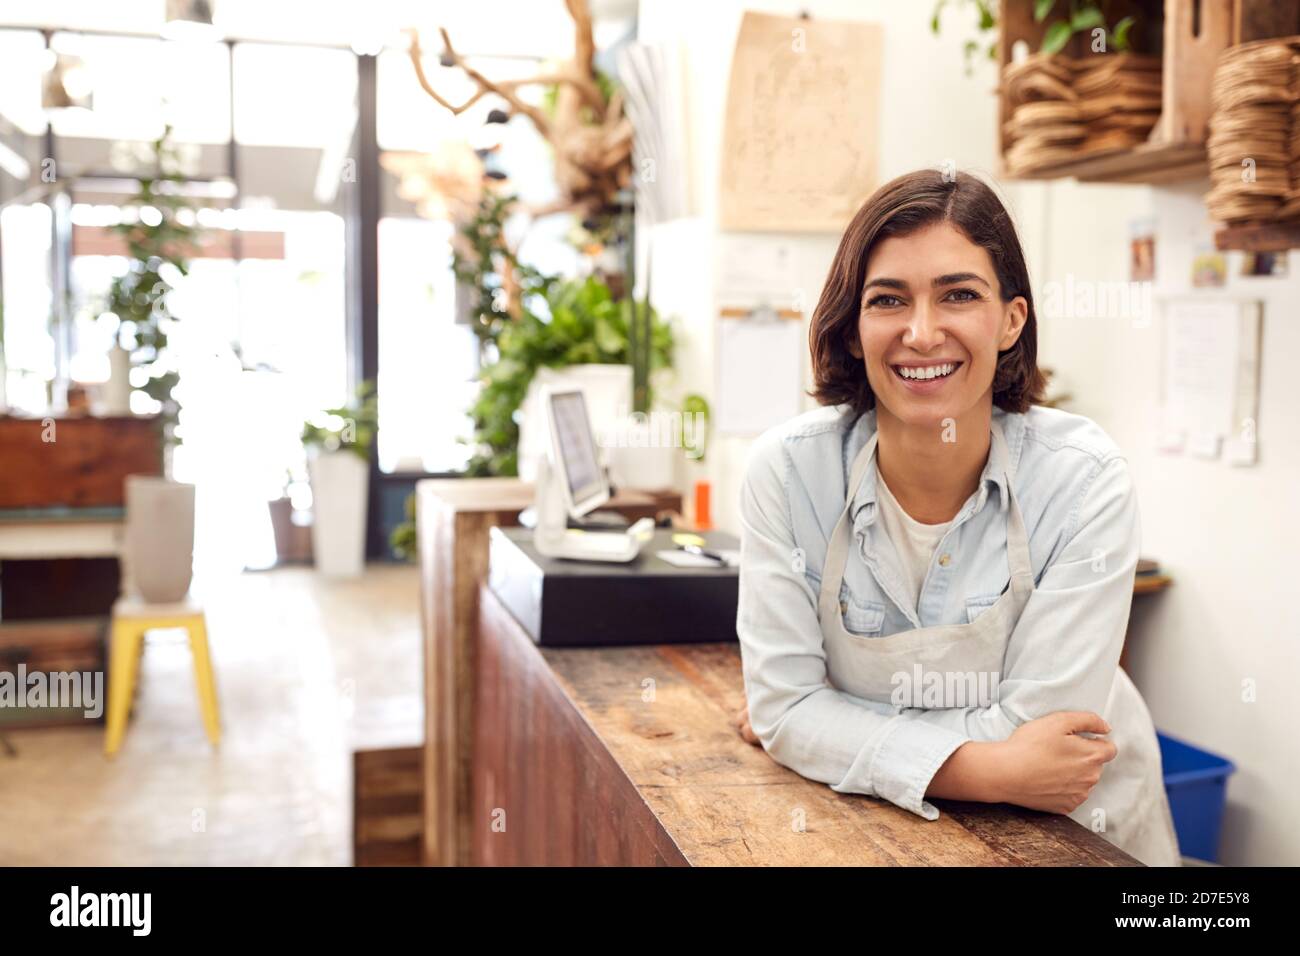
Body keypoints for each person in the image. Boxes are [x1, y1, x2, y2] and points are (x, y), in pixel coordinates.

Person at [734, 169, 1181, 867]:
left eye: (959, 295)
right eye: (888, 300)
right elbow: (787, 713)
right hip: (883, 834)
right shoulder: (790, 474)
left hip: (1077, 835)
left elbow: (1042, 731)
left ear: (1011, 321)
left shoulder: (1082, 479)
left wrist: (829, 727)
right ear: (854, 328)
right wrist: (989, 768)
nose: (921, 332)